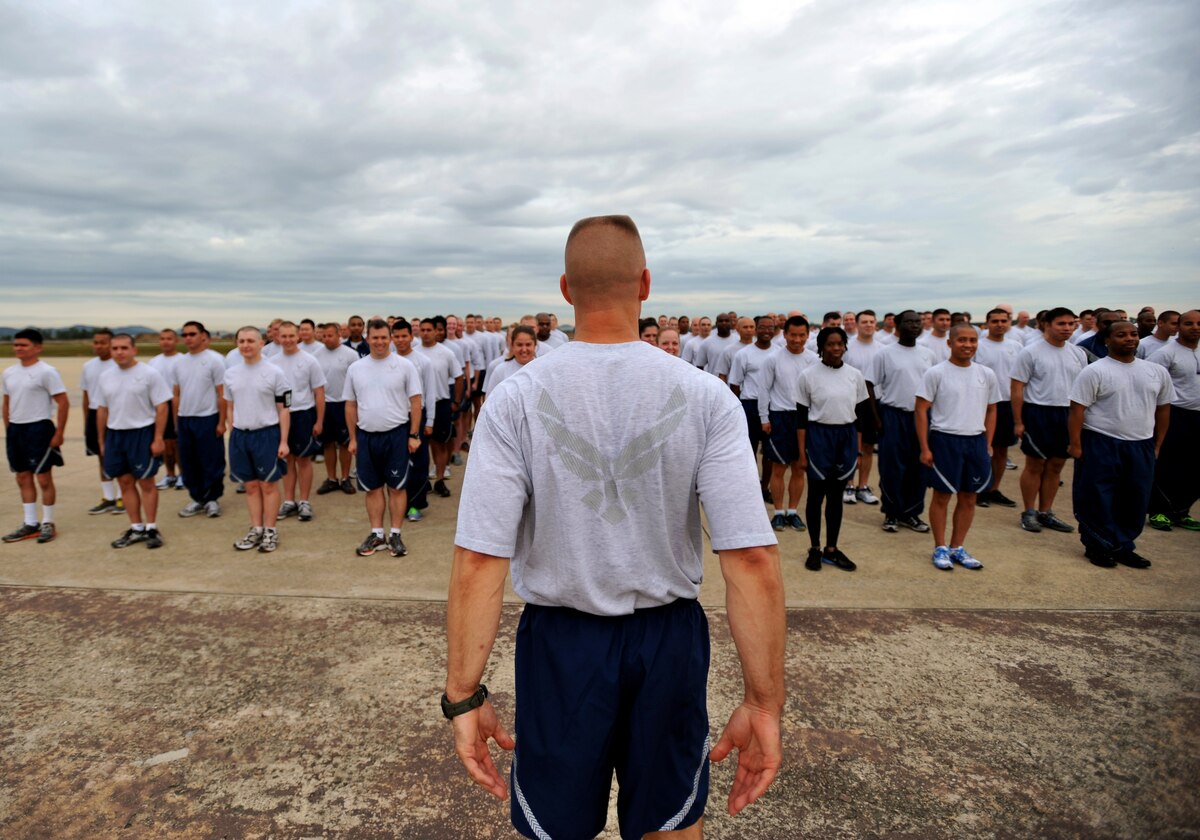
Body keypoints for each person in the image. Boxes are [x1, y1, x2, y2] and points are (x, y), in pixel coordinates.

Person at [445, 215, 785, 839]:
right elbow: (751, 560)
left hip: (561, 644)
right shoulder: (708, 397)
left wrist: (464, 695)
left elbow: (479, 560)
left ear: (566, 290)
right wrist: (764, 702)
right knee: (669, 823)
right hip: (669, 641)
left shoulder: (516, 399)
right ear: (646, 284)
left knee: (557, 828)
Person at [1068, 320, 1173, 567]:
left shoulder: (1155, 371)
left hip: (1141, 444)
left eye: (1133, 334)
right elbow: (1077, 410)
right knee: (1098, 495)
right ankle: (1098, 545)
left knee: (1135, 497)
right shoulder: (1095, 371)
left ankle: (1124, 545)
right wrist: (1076, 444)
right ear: (1107, 340)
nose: (1129, 338)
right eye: (1121, 334)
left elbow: (1164, 409)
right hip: (1101, 441)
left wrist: (1157, 443)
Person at [915, 324, 1002, 571]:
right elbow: (921, 409)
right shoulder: (936, 373)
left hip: (975, 441)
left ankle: (957, 547)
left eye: (973, 340)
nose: (968, 345)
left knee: (969, 497)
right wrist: (925, 446)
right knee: (942, 495)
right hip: (945, 440)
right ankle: (940, 547)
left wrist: (987, 443)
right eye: (962, 340)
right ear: (950, 343)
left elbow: (992, 408)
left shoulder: (986, 374)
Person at [344, 319, 422, 557]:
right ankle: (377, 534)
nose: (379, 342)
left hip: (397, 435)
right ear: (368, 339)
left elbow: (416, 401)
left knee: (397, 488)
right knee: (372, 488)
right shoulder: (356, 368)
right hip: (366, 436)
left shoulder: (404, 366)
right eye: (374, 337)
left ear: (390, 338)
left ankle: (396, 534)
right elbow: (350, 404)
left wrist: (414, 434)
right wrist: (353, 438)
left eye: (383, 337)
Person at [797, 326, 867, 571]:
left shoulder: (855, 375)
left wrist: (857, 449)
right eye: (830, 344)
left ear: (845, 346)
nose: (836, 349)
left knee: (836, 496)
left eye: (840, 344)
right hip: (819, 436)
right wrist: (802, 451)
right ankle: (814, 548)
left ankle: (832, 549)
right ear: (821, 347)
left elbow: (860, 415)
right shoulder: (808, 375)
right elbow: (801, 418)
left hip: (845, 436)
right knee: (816, 495)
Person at [1011, 307, 1087, 534]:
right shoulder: (1030, 352)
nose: (1066, 328)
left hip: (1067, 413)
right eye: (1061, 324)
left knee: (1056, 465)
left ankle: (1046, 511)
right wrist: (1018, 421)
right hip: (1038, 413)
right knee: (1035, 464)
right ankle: (1029, 512)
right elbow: (1017, 387)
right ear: (1047, 324)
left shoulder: (1078, 353)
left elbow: (1082, 388)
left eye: (1070, 324)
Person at [93, 334, 172, 550]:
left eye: (124, 348)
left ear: (134, 350)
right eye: (115, 348)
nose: (119, 352)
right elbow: (102, 409)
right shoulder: (105, 376)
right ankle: (136, 527)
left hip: (142, 433)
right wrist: (102, 440)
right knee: (125, 482)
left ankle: (151, 527)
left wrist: (158, 438)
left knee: (146, 482)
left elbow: (162, 407)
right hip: (116, 435)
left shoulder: (149, 374)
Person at [865, 310, 935, 533]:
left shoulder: (928, 354)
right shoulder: (885, 353)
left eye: (918, 322)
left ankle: (912, 513)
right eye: (909, 322)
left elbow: (934, 387)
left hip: (921, 416)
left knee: (919, 466)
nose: (915, 325)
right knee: (892, 466)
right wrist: (877, 420)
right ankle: (892, 513)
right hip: (893, 414)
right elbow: (869, 385)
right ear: (897, 324)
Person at [224, 326, 291, 553]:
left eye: (250, 340)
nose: (245, 345)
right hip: (241, 435)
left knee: (268, 485)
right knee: (251, 486)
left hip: (267, 435)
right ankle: (257, 528)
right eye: (241, 341)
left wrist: (283, 441)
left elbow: (284, 409)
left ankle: (271, 530)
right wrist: (233, 430)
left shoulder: (275, 373)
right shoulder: (231, 373)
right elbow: (230, 405)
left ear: (261, 343)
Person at [2, 329, 68, 544]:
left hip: (39, 428)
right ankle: (30, 522)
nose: (18, 348)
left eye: (24, 345)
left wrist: (59, 433)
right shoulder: (9, 372)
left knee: (43, 478)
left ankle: (48, 522)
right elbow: (7, 402)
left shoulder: (47, 372)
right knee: (22, 477)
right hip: (16, 430)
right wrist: (9, 428)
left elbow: (63, 402)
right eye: (16, 345)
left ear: (37, 347)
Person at [759, 315, 817, 535]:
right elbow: (764, 390)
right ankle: (779, 513)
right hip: (780, 417)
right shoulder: (773, 359)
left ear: (807, 335)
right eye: (793, 335)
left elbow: (816, 391)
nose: (797, 339)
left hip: (804, 418)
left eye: (802, 335)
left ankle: (793, 511)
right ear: (784, 334)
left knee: (799, 466)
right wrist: (764, 418)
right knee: (778, 467)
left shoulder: (813, 359)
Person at [1147, 309, 1200, 531]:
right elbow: (1149, 382)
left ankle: (1181, 510)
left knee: (1195, 467)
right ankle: (1159, 510)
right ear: (1179, 326)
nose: (1195, 327)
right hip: (1176, 413)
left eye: (1198, 323)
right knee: (1169, 464)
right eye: (1188, 323)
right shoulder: (1166, 353)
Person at [173, 321, 227, 519]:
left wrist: (222, 422)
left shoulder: (215, 360)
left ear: (203, 336)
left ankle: (212, 499)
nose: (188, 338)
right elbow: (176, 394)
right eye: (185, 334)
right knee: (189, 461)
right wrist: (176, 420)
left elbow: (222, 394)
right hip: (185, 419)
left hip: (208, 417)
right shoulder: (179, 362)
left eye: (192, 334)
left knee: (211, 460)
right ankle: (197, 498)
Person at [273, 322, 327, 523]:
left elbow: (319, 392)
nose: (287, 340)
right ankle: (289, 500)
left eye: (291, 336)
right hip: (280, 415)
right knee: (287, 459)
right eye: (283, 336)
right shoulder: (272, 362)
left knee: (304, 460)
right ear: (277, 337)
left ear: (298, 337)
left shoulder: (309, 360)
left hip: (303, 414)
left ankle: (304, 501)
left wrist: (319, 421)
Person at [972, 308, 1022, 508]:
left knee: (1001, 450)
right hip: (982, 404)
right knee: (982, 448)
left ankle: (994, 488)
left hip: (1006, 403)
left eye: (1004, 320)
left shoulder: (1017, 346)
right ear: (988, 323)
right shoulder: (979, 346)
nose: (1000, 324)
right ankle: (979, 488)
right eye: (995, 321)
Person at [391, 319, 437, 523]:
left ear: (412, 336)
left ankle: (415, 505)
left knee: (418, 462)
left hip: (418, 415)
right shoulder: (389, 360)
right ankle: (398, 502)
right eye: (397, 336)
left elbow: (431, 391)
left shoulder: (423, 361)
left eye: (404, 336)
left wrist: (430, 422)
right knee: (397, 461)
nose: (401, 340)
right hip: (395, 416)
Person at [415, 317, 465, 498]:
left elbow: (459, 377)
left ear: (436, 331)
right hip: (419, 406)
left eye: (430, 330)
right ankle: (423, 481)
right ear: (419, 331)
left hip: (441, 403)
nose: (427, 333)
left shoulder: (446, 353)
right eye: (424, 330)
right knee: (421, 446)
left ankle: (440, 479)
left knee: (441, 444)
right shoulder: (414, 353)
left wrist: (456, 402)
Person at [728, 315, 776, 500]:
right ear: (756, 330)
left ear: (775, 330)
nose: (766, 331)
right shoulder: (744, 354)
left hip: (773, 406)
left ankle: (765, 487)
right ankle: (751, 487)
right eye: (762, 327)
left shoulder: (779, 352)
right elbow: (735, 384)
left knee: (770, 452)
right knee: (750, 449)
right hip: (750, 404)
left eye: (770, 328)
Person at [842, 310, 883, 506]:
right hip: (851, 402)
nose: (868, 325)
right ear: (857, 325)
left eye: (872, 322)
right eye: (864, 322)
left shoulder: (883, 349)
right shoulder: (848, 348)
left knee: (868, 446)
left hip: (874, 403)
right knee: (852, 444)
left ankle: (863, 486)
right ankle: (848, 484)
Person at [314, 322, 360, 496]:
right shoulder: (316, 355)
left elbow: (357, 381)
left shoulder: (351, 355)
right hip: (324, 404)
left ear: (339, 334)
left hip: (345, 404)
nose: (326, 339)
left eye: (330, 335)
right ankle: (331, 478)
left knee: (345, 443)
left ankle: (345, 477)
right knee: (327, 443)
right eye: (324, 336)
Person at [81, 329, 122, 515]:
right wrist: (86, 421)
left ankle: (122, 496)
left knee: (121, 456)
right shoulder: (88, 366)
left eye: (103, 342)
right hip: (95, 414)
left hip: (116, 414)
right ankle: (108, 497)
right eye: (96, 342)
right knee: (101, 455)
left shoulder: (119, 364)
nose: (99, 346)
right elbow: (86, 395)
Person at [148, 328, 183, 490]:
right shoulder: (154, 362)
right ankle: (170, 475)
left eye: (169, 338)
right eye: (162, 338)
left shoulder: (183, 360)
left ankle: (183, 475)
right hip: (160, 405)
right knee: (166, 444)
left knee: (178, 443)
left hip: (179, 404)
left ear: (176, 341)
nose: (165, 342)